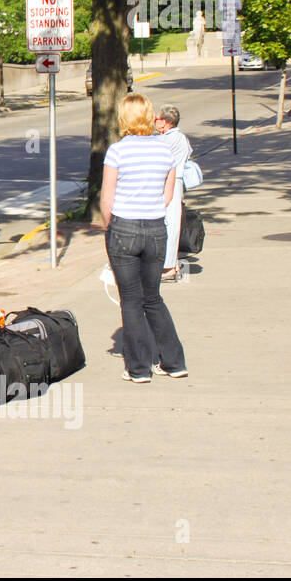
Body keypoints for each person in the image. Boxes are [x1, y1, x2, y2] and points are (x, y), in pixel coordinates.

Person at [100, 93, 189, 382]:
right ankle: (174, 362)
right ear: (150, 117)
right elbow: (167, 196)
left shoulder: (117, 151)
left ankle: (138, 368)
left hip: (124, 228)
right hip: (155, 230)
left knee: (130, 300)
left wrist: (108, 227)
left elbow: (107, 198)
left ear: (124, 118)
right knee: (152, 298)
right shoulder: (165, 152)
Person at [155, 105, 191, 282]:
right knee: (171, 224)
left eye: (157, 119)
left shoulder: (168, 139)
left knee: (169, 225)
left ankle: (169, 267)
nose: (155, 122)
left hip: (170, 183)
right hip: (176, 182)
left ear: (166, 123)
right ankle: (172, 263)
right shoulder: (180, 137)